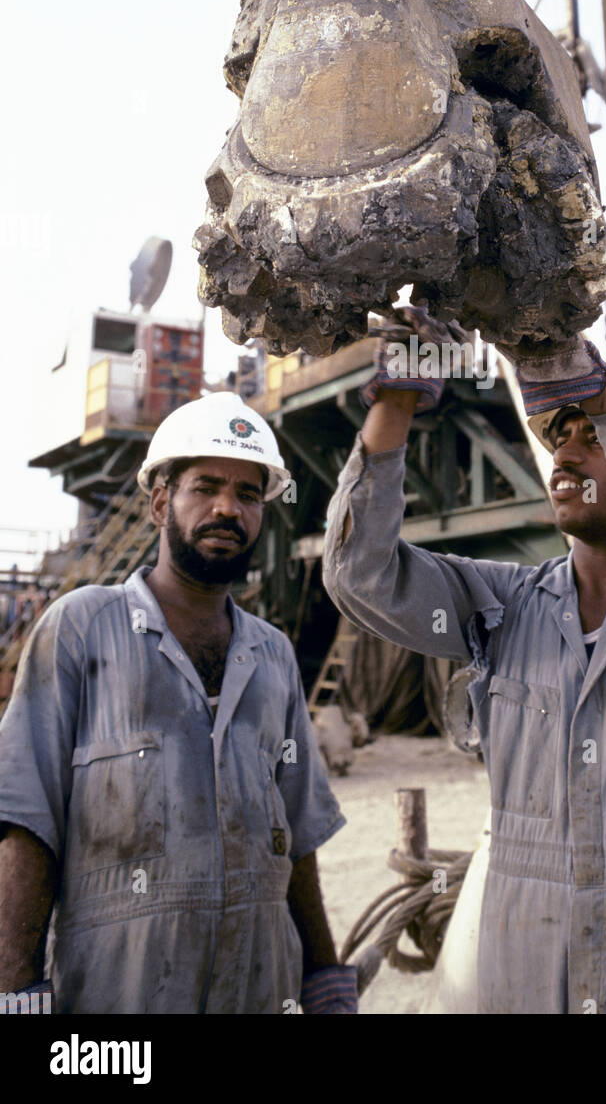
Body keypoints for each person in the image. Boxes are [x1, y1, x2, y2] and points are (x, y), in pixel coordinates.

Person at [322, 308, 606, 1014]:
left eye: (593, 436)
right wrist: (398, 397)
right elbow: (359, 574)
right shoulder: (504, 607)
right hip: (524, 986)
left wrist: (604, 393)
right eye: (557, 436)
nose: (563, 456)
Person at [0, 391, 355, 1015]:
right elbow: (27, 825)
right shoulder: (81, 629)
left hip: (260, 989)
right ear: (161, 502)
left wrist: (324, 979)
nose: (228, 508)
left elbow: (297, 840)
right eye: (206, 487)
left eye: (248, 495)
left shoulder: (272, 655)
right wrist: (15, 995)